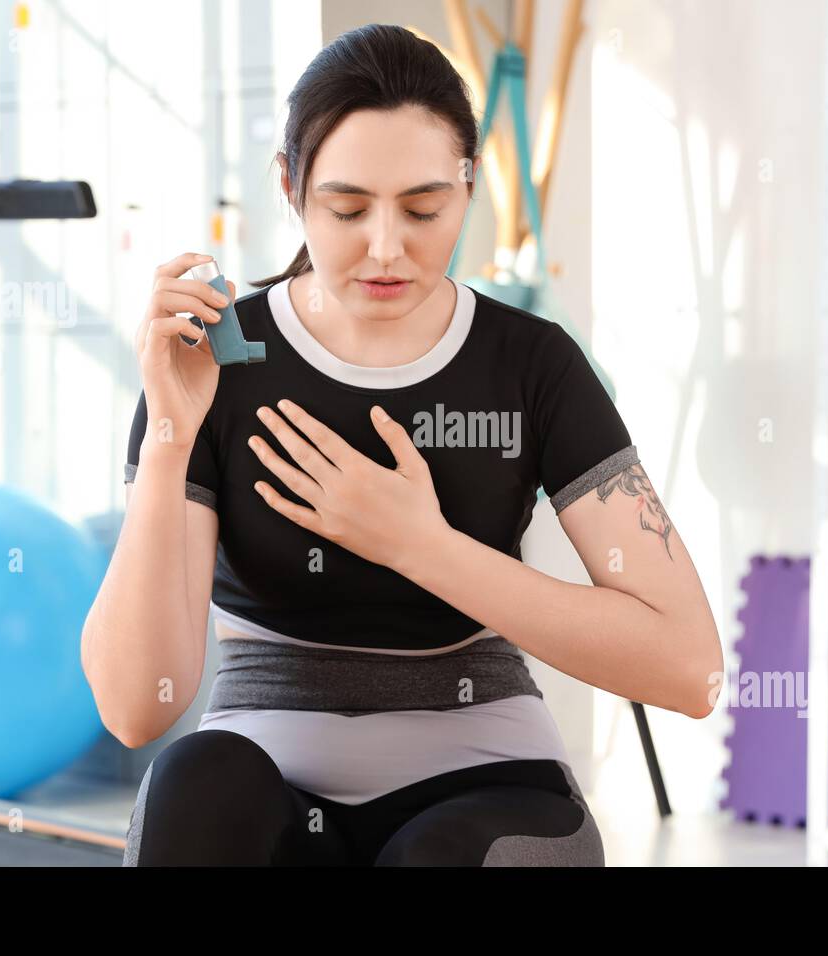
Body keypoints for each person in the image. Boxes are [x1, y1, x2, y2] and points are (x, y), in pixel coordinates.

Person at [82, 23, 722, 866]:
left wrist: (420, 546)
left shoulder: (532, 364)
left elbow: (689, 669)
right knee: (192, 791)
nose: (388, 248)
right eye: (347, 209)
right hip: (264, 767)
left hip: (484, 770)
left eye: (424, 208)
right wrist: (169, 435)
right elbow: (136, 708)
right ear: (290, 184)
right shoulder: (212, 361)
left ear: (467, 183)